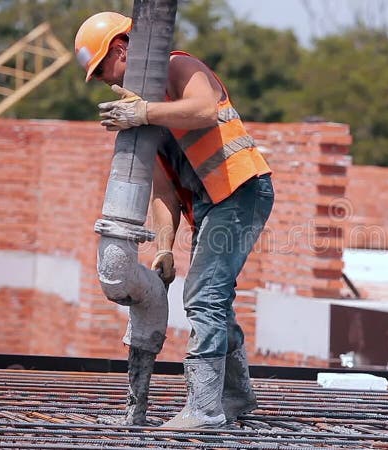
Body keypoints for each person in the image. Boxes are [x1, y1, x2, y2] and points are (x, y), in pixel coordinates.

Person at [74, 12, 273, 428]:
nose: (105, 82)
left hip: (241, 190)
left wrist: (144, 113)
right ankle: (234, 397)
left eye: (102, 71)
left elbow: (203, 110)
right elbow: (164, 192)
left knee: (203, 296)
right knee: (212, 296)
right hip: (213, 205)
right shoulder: (152, 117)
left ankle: (204, 409)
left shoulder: (178, 66)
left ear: (122, 49)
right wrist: (164, 247)